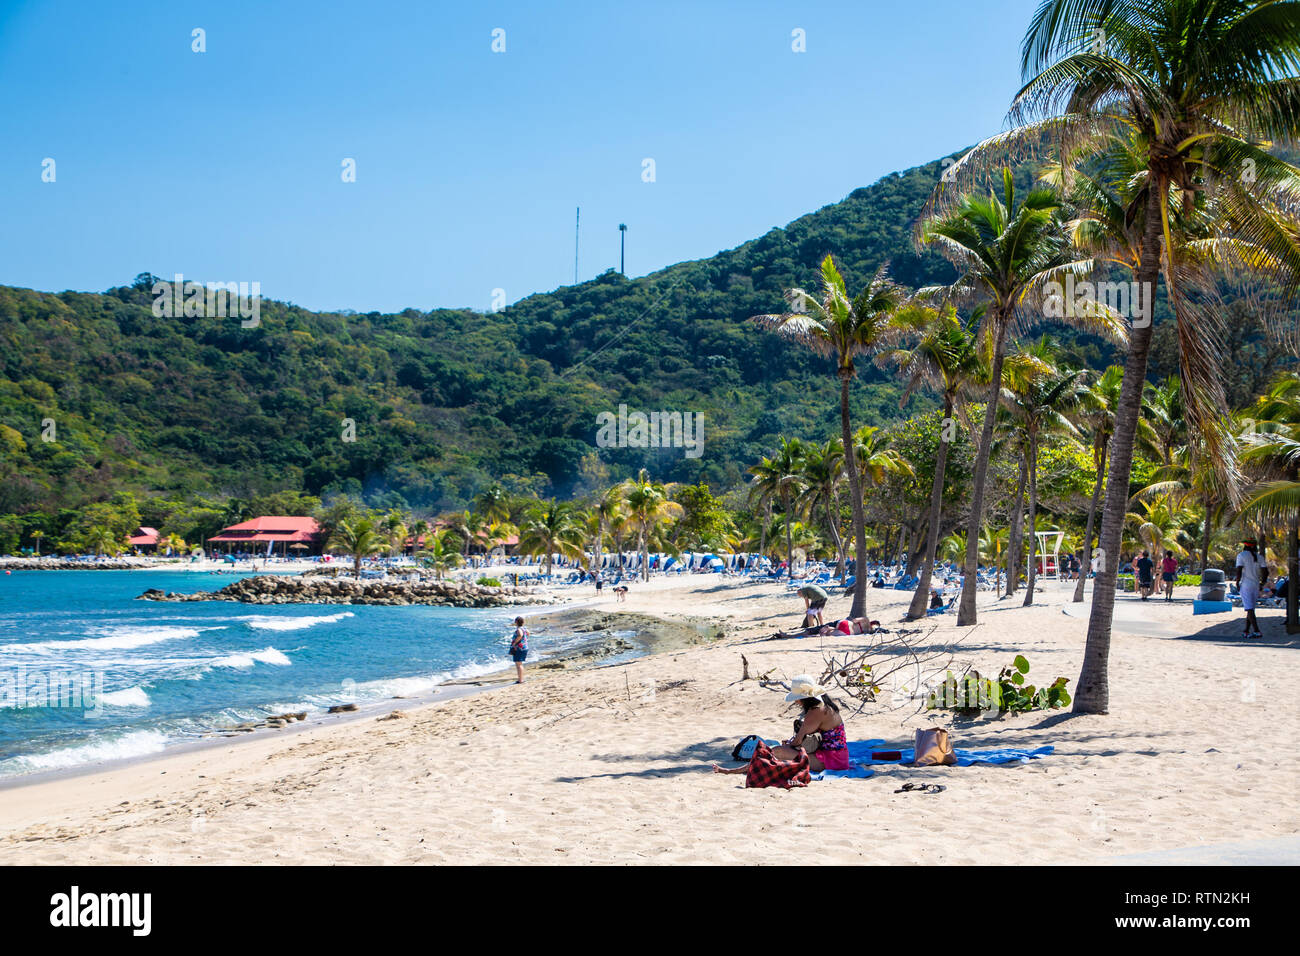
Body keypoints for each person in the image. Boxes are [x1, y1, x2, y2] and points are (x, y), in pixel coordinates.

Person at [712, 676, 850, 774]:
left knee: (776, 751)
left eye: (797, 699)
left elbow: (798, 740)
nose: (796, 702)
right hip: (837, 756)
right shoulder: (825, 706)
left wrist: (788, 746)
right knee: (779, 752)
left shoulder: (815, 712)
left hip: (831, 761)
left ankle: (733, 771)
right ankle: (737, 770)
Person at [1235, 540, 1267, 639]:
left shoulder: (1241, 555)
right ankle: (1246, 631)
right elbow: (1266, 572)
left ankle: (1257, 631)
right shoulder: (1260, 557)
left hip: (1246, 585)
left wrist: (1237, 582)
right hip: (1256, 585)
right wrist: (1262, 583)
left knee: (1249, 609)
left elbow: (1239, 570)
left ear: (1245, 546)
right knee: (1251, 609)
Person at [508, 616, 529, 683]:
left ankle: (520, 680)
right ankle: (521, 679)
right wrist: (524, 640)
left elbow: (520, 635)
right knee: (520, 664)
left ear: (516, 622)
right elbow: (528, 634)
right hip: (524, 647)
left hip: (519, 648)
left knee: (518, 664)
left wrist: (515, 642)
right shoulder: (525, 629)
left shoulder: (519, 629)